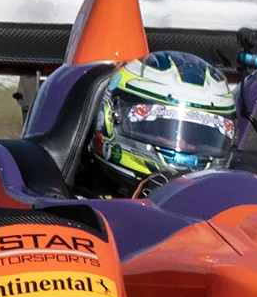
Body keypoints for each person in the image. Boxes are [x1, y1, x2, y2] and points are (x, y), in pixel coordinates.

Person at [78, 51, 238, 198]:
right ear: (109, 118)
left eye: (198, 136)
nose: (182, 143)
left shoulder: (221, 209)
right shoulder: (76, 212)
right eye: (162, 129)